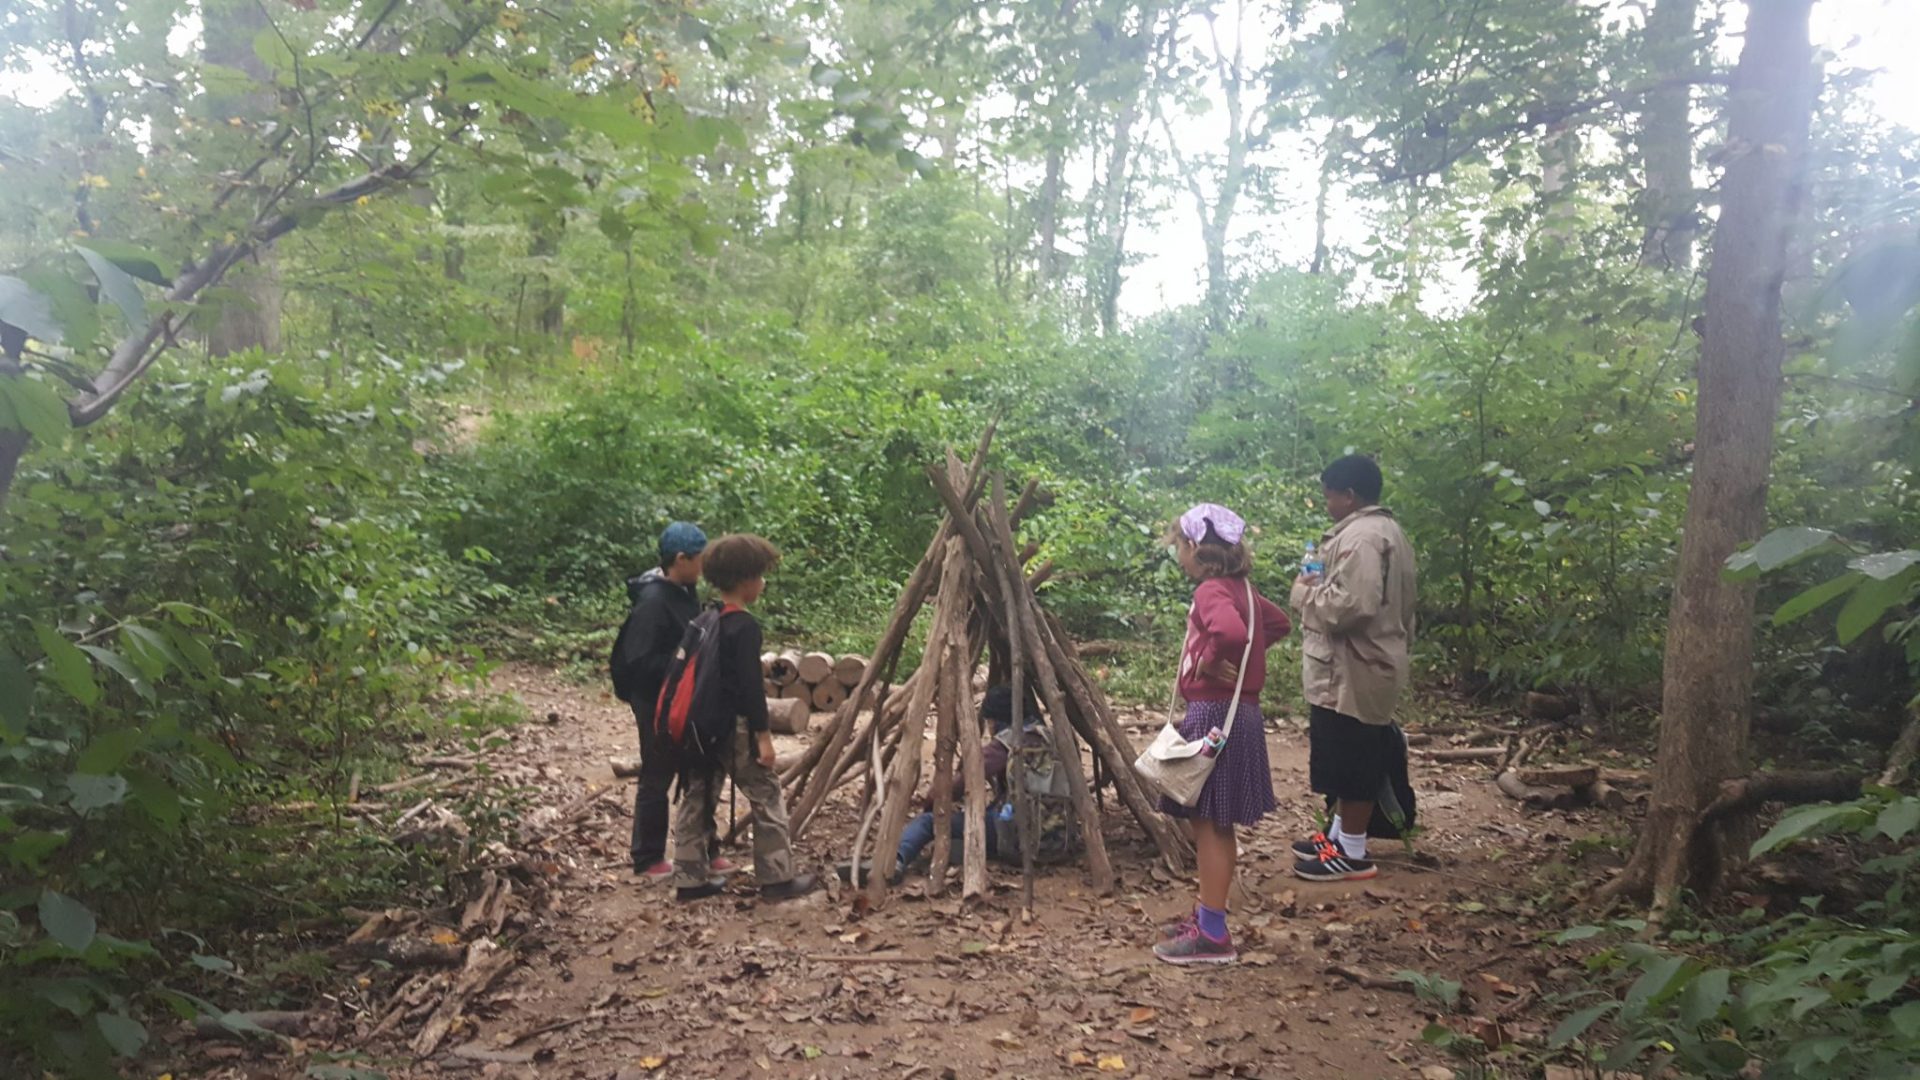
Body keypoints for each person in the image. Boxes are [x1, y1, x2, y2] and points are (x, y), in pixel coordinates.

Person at [1153, 503, 1292, 966]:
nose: (1179, 557)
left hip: (1216, 713)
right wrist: (1247, 657)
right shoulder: (1243, 590)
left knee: (1210, 823)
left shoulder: (1212, 590)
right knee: (1216, 821)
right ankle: (1207, 916)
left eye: (1179, 547)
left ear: (1195, 546)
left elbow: (1230, 633)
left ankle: (1212, 933)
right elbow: (1278, 623)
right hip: (1240, 713)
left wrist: (1212, 660)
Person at [1288, 454, 1418, 883]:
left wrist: (1303, 596)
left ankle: (1353, 852)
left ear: (1348, 495)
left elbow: (1352, 604)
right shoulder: (1387, 531)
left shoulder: (1362, 538)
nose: (1326, 504)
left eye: (1329, 496)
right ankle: (1339, 840)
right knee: (1345, 757)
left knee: (1354, 758)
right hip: (1367, 661)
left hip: (1355, 667)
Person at [669, 533, 817, 902]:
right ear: (747, 580)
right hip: (733, 728)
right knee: (766, 794)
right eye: (761, 575)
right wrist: (763, 737)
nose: (763, 582)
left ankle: (688, 879)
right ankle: (777, 878)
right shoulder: (744, 626)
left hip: (700, 728)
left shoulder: (705, 618)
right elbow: (751, 689)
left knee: (697, 796)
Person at [611, 522, 734, 880]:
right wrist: (685, 666)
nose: (704, 568)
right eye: (700, 559)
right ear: (680, 559)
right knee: (658, 772)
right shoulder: (653, 602)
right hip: (655, 700)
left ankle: (703, 846)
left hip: (684, 695)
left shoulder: (684, 592)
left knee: (699, 768)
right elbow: (639, 660)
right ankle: (647, 856)